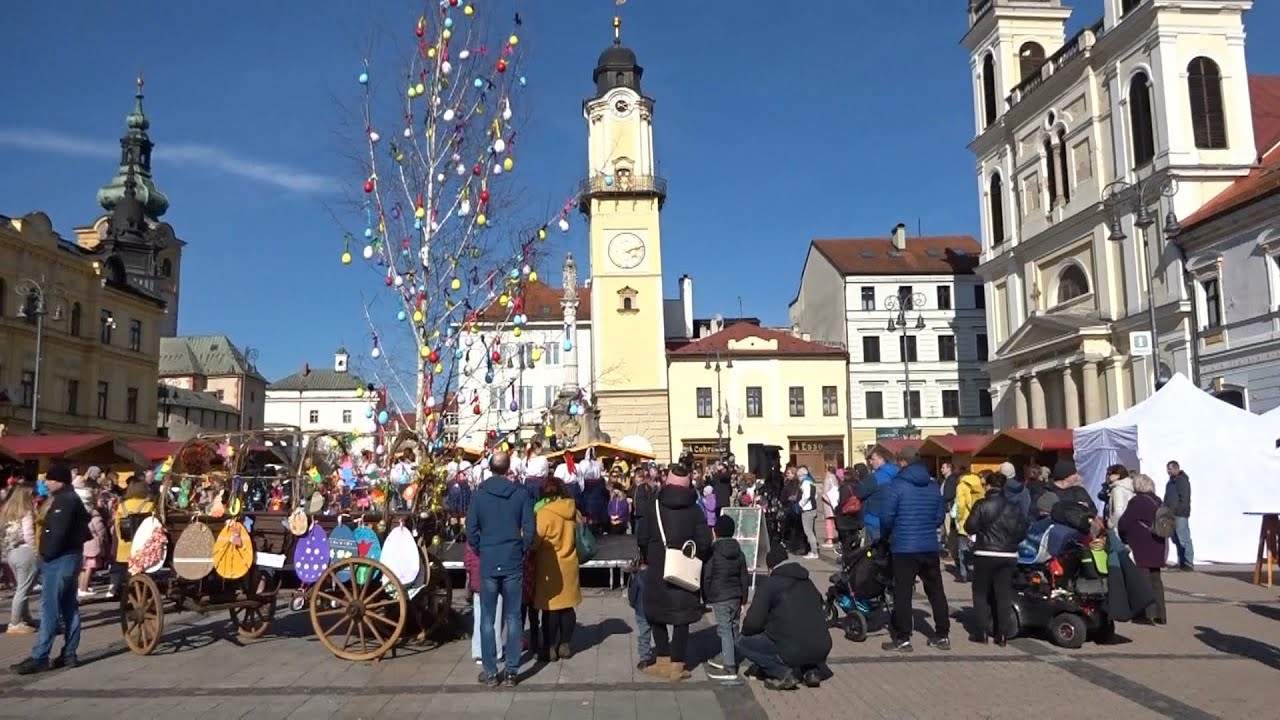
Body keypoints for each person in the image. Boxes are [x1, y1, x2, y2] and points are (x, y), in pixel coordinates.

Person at [12, 463, 90, 675]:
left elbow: (58, 532)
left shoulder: (64, 501)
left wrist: (46, 555)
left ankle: (40, 656)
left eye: (49, 479)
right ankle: (69, 653)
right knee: (69, 607)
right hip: (71, 557)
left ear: (59, 481)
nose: (45, 483)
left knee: (49, 609)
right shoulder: (71, 498)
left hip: (59, 560)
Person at [465, 451, 535, 687]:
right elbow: (530, 529)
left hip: (489, 557)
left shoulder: (480, 495)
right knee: (514, 616)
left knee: (487, 617)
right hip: (512, 558)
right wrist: (521, 548)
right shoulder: (520, 494)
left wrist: (482, 548)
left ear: (490, 468)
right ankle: (512, 672)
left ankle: (491, 672)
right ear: (508, 468)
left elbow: (471, 529)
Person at [637, 464, 711, 682]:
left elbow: (642, 537)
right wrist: (693, 556)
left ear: (667, 482)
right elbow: (704, 542)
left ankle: (662, 659)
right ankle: (677, 664)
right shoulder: (695, 510)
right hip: (684, 568)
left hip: (658, 567)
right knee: (682, 618)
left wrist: (650, 556)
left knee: (656, 613)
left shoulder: (654, 505)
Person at [879, 447, 949, 653]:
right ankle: (942, 634)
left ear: (903, 462)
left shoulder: (896, 485)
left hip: (904, 546)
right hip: (928, 545)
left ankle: (903, 638)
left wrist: (888, 535)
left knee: (902, 592)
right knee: (936, 591)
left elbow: (887, 517)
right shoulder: (933, 485)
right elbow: (939, 517)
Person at [738, 546, 832, 691]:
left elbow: (752, 623)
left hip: (792, 649)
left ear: (770, 568)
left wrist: (757, 629)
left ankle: (782, 673)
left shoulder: (769, 585)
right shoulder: (808, 581)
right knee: (801, 636)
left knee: (742, 642)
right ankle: (811, 671)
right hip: (822, 646)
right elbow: (820, 606)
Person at [963, 472, 1028, 645]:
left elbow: (969, 527)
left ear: (989, 486)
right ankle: (1002, 634)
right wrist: (1012, 542)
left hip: (985, 552)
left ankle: (982, 631)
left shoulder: (981, 504)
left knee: (980, 592)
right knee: (1003, 594)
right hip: (1008, 554)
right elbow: (1023, 529)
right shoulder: (1014, 507)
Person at [531, 476, 582, 662]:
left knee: (550, 609)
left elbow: (535, 542)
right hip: (570, 563)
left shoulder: (543, 513)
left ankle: (550, 646)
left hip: (549, 566)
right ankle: (565, 644)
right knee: (567, 607)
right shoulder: (573, 510)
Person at [702, 514, 749, 683]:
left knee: (725, 629)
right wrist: (744, 599)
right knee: (734, 627)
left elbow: (707, 576)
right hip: (736, 595)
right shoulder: (739, 552)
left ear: (715, 532)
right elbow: (744, 576)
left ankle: (729, 666)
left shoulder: (713, 552)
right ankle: (731, 655)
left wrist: (705, 596)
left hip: (720, 595)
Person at [1118, 473, 1168, 624]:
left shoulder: (1137, 501)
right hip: (1158, 542)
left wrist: (1123, 537)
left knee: (1142, 579)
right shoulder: (1158, 500)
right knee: (1156, 579)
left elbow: (1124, 522)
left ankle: (1146, 614)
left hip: (1141, 544)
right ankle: (1161, 614)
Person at [1, 481, 39, 634]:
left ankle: (25, 617)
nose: (35, 497)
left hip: (11, 552)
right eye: (33, 494)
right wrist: (35, 550)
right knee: (24, 589)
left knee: (22, 587)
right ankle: (15, 622)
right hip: (25, 551)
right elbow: (28, 533)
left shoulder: (8, 513)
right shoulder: (26, 511)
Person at [463, 542, 504, 667]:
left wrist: (470, 573)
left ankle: (479, 652)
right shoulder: (497, 534)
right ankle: (495, 652)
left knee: (479, 618)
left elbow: (468, 559)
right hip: (495, 576)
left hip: (478, 578)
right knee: (496, 618)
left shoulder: (473, 535)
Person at [857, 447, 899, 544]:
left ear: (881, 459)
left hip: (874, 520)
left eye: (873, 459)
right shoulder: (898, 473)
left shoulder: (876, 477)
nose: (871, 462)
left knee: (873, 550)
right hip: (894, 521)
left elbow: (859, 493)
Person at [951, 468, 984, 583]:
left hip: (965, 522)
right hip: (977, 521)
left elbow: (960, 505)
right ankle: (975, 573)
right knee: (975, 549)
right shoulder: (979, 484)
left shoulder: (961, 486)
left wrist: (958, 519)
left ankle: (963, 574)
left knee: (962, 549)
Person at [1164, 461, 1193, 570]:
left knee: (1183, 538)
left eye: (1170, 469)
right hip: (1171, 514)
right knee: (1176, 539)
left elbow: (1185, 498)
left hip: (1180, 514)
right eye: (1168, 469)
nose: (1168, 471)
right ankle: (1181, 561)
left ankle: (1188, 563)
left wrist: (1179, 511)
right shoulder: (1171, 482)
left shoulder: (1182, 481)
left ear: (1176, 468)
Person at [628, 552, 654, 671]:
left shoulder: (638, 576)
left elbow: (633, 594)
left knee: (644, 634)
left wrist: (633, 604)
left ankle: (644, 657)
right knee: (659, 631)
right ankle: (663, 653)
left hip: (641, 610)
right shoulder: (658, 574)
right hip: (656, 609)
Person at [797, 466, 819, 559]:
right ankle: (813, 550)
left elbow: (806, 495)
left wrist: (800, 504)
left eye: (798, 476)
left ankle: (814, 552)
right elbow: (815, 495)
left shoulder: (805, 483)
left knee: (808, 532)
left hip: (807, 509)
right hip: (813, 508)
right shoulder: (811, 482)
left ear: (803, 475)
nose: (798, 478)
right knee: (811, 531)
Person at [1104, 465, 1135, 530]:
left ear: (1117, 475)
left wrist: (1110, 523)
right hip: (1129, 524)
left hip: (1118, 527)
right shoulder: (1129, 486)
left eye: (1110, 473)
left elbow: (1118, 512)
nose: (1108, 476)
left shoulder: (1117, 490)